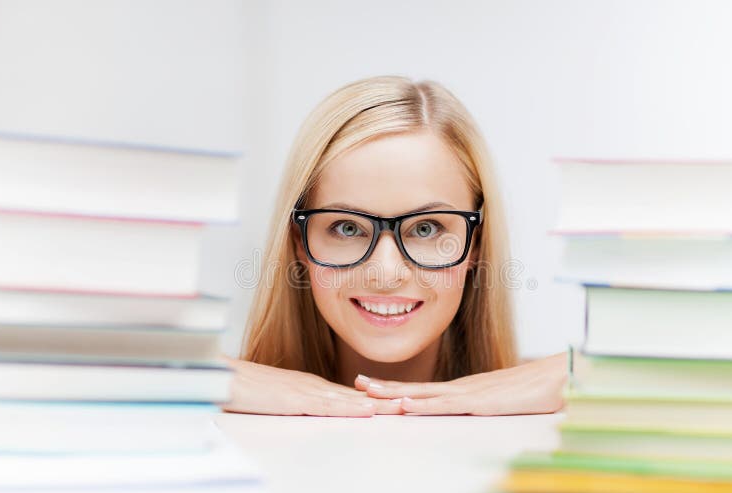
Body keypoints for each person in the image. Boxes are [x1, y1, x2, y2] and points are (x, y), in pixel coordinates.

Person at [224, 75, 567, 416]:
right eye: (347, 228)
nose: (386, 274)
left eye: (426, 228)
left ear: (476, 241)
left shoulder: (558, 394)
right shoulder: (222, 395)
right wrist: (206, 376)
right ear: (299, 241)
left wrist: (575, 373)